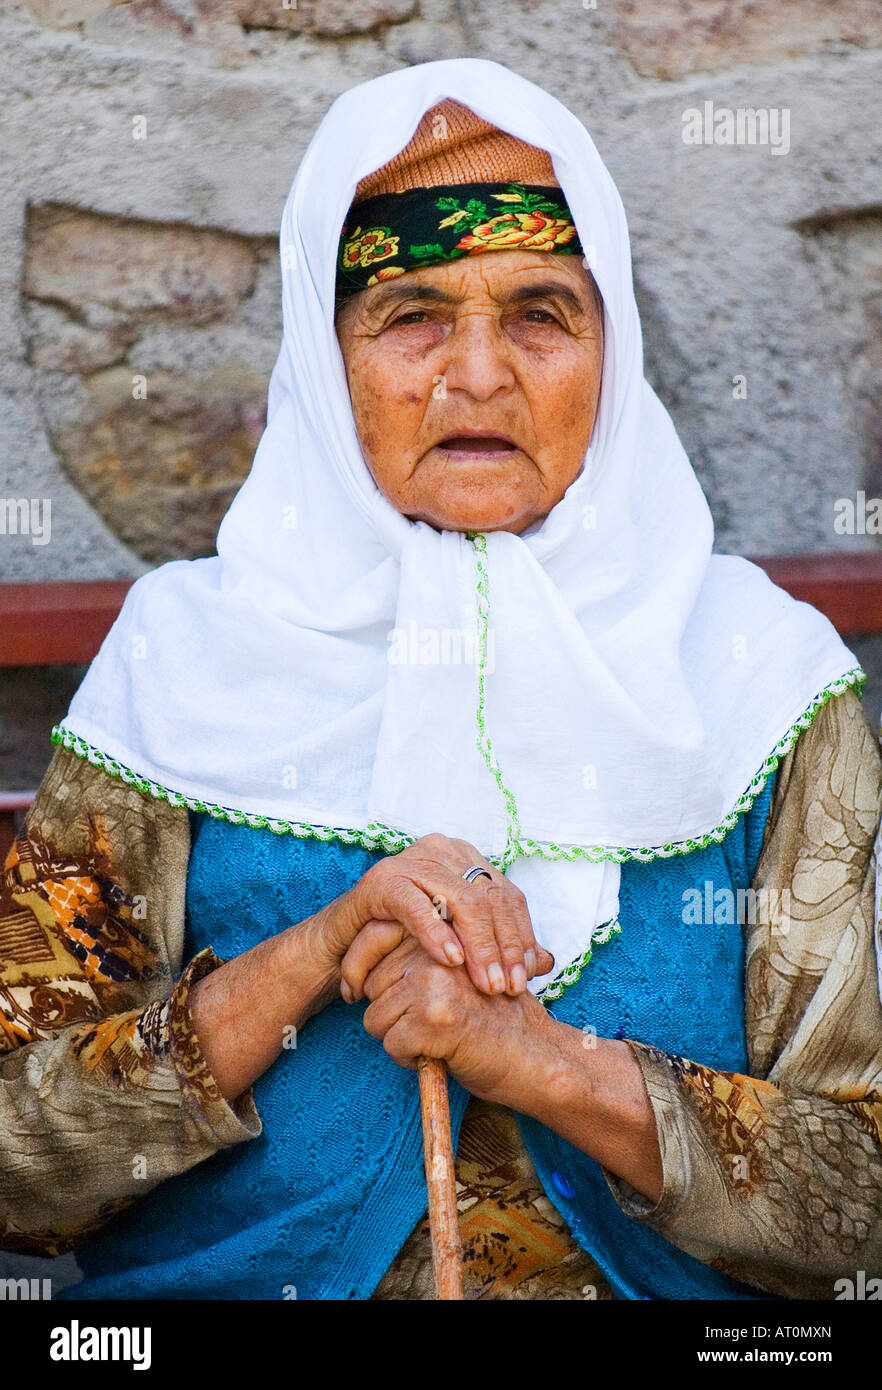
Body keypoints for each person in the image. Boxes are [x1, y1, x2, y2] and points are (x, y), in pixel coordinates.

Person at [2, 59, 880, 1301]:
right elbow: (16, 1166)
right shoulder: (184, 664)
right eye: (410, 312)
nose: (476, 374)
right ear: (326, 352)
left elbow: (860, 1201)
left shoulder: (757, 680)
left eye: (540, 312)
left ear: (610, 348)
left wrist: (540, 1060)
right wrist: (310, 957)